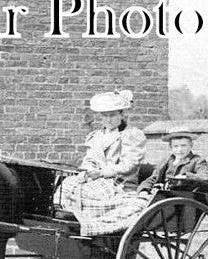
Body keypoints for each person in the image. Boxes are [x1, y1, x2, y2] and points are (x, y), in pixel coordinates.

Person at [57, 89, 147, 236]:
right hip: (96, 179)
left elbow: (129, 164)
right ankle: (64, 213)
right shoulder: (96, 136)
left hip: (119, 184)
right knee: (67, 183)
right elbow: (90, 160)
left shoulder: (132, 135)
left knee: (84, 192)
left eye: (112, 115)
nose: (108, 120)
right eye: (104, 116)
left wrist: (102, 172)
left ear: (122, 115)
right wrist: (87, 171)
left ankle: (84, 223)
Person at [137, 130, 208, 197]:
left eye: (183, 146)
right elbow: (153, 178)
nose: (180, 150)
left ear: (191, 146)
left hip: (183, 200)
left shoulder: (197, 161)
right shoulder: (167, 161)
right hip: (163, 196)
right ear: (171, 147)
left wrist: (187, 176)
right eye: (176, 146)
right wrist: (144, 190)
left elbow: (206, 177)